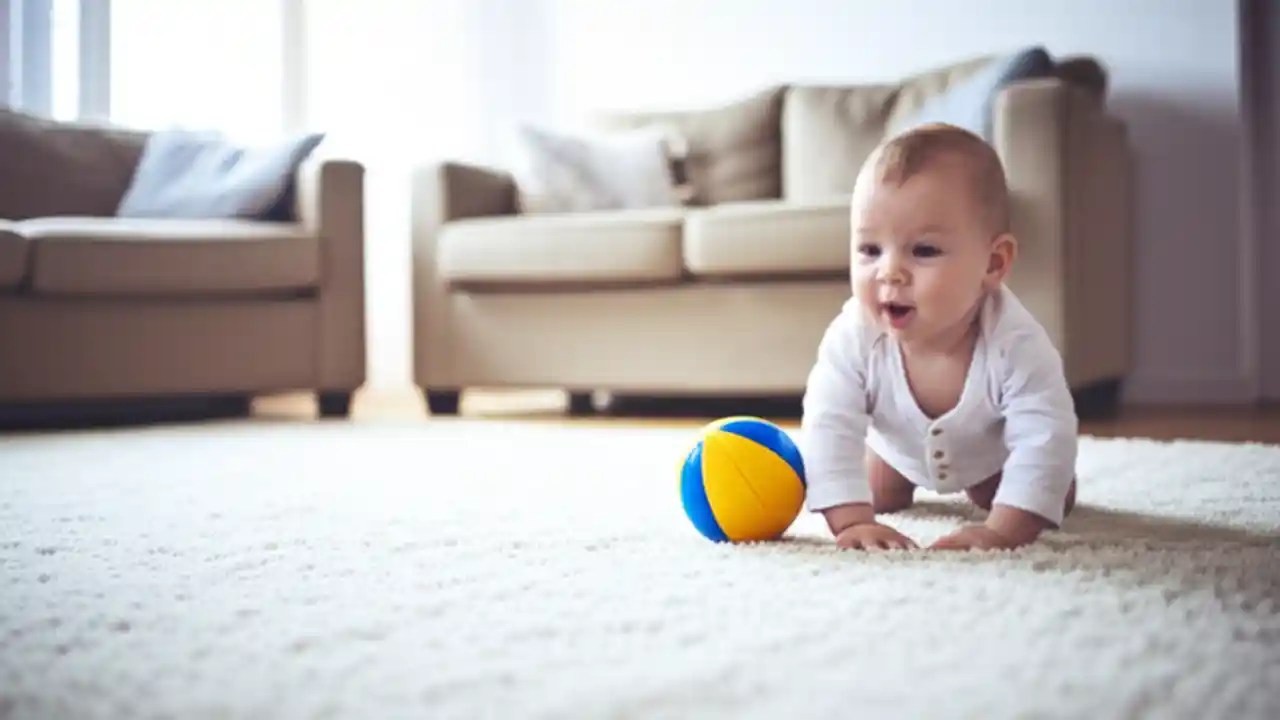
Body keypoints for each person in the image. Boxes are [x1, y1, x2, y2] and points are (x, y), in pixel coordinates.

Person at [801, 123, 1078, 552]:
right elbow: (828, 422)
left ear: (993, 263)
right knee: (879, 493)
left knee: (1038, 491)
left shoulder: (1016, 343)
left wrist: (1001, 531)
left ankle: (1018, 490)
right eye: (870, 250)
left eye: (924, 251)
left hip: (990, 456)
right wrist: (851, 522)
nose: (889, 271)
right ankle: (891, 477)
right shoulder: (853, 336)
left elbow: (1045, 431)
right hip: (897, 451)